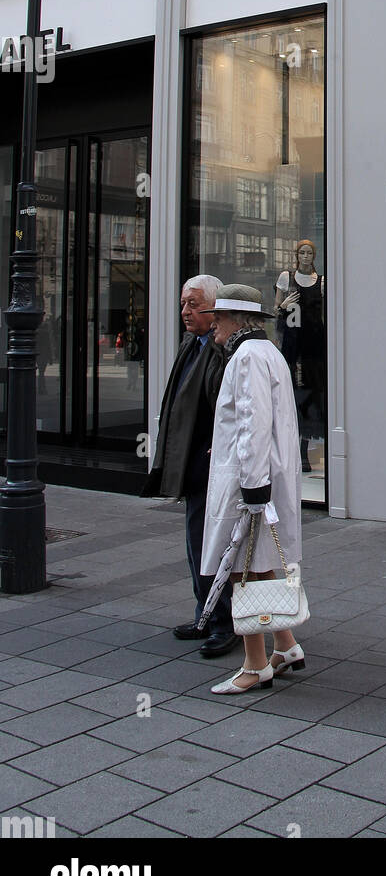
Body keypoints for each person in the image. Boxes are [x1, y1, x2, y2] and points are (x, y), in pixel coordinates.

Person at [202, 283, 304, 694]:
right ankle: (285, 644)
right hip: (263, 478)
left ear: (234, 320)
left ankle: (254, 664)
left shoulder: (245, 357)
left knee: (243, 571)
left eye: (218, 319)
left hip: (252, 482)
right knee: (258, 565)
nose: (213, 328)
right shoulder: (267, 353)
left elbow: (252, 423)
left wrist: (252, 488)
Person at [142, 274, 239, 659]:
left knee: (210, 547)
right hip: (192, 465)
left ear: (214, 308)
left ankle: (222, 623)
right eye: (184, 303)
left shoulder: (218, 350)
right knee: (196, 543)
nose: (185, 311)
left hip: (208, 466)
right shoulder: (192, 344)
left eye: (194, 304)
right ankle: (205, 614)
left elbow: (223, 413)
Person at [274, 240, 325, 472]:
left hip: (313, 346)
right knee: (290, 391)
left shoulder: (321, 282)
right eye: (302, 253)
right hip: (292, 344)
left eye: (309, 253)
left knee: (312, 393)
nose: (306, 256)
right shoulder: (287, 277)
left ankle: (305, 447)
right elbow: (276, 310)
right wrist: (283, 305)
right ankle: (289, 448)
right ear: (297, 255)